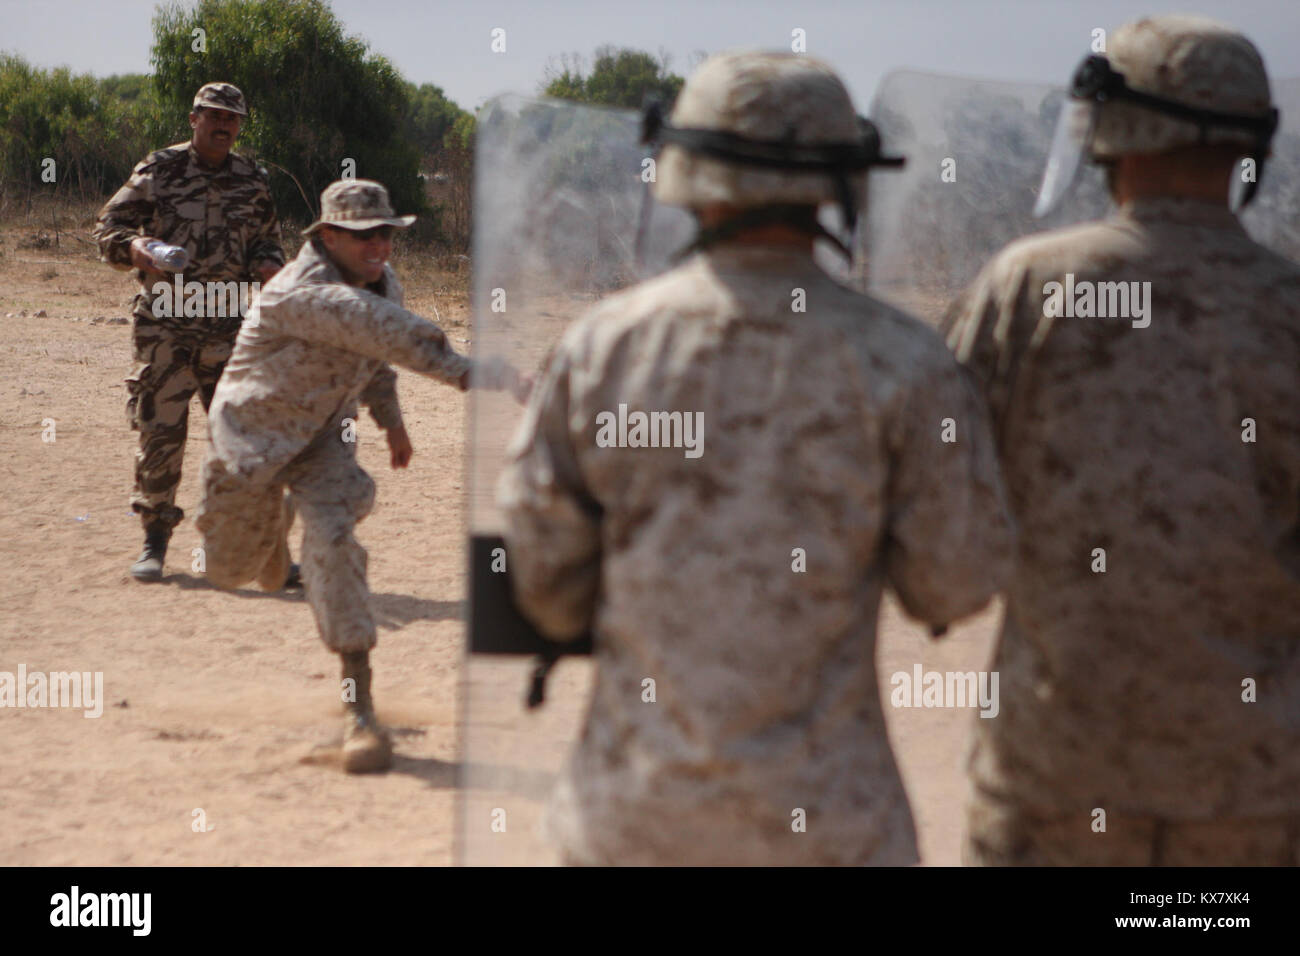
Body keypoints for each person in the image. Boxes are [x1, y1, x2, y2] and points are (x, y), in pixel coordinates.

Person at [498, 51, 1013, 865]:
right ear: (842, 180)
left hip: (630, 824)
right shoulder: (906, 361)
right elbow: (955, 580)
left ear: (682, 168)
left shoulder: (601, 348)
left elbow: (544, 585)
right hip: (833, 829)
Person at [942, 15, 1300, 865]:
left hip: (1055, 774)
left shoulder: (1024, 287)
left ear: (1109, 132)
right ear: (1249, 141)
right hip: (1253, 789)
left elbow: (946, 514)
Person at [196, 179, 527, 773]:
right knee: (231, 570)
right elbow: (382, 330)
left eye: (386, 234)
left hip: (323, 438)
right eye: (363, 236)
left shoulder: (381, 283)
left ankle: (360, 712)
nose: (379, 246)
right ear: (327, 237)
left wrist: (391, 423)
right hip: (252, 438)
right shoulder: (298, 292)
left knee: (335, 542)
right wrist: (477, 371)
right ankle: (273, 531)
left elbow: (374, 359)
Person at [93, 82, 286, 583]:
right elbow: (109, 228)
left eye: (233, 119)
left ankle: (268, 553)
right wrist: (136, 249)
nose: (224, 126)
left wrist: (268, 266)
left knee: (245, 441)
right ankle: (154, 541)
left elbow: (268, 240)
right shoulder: (159, 169)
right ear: (194, 117)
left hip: (231, 327)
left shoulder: (252, 178)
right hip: (166, 326)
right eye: (214, 115)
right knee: (161, 432)